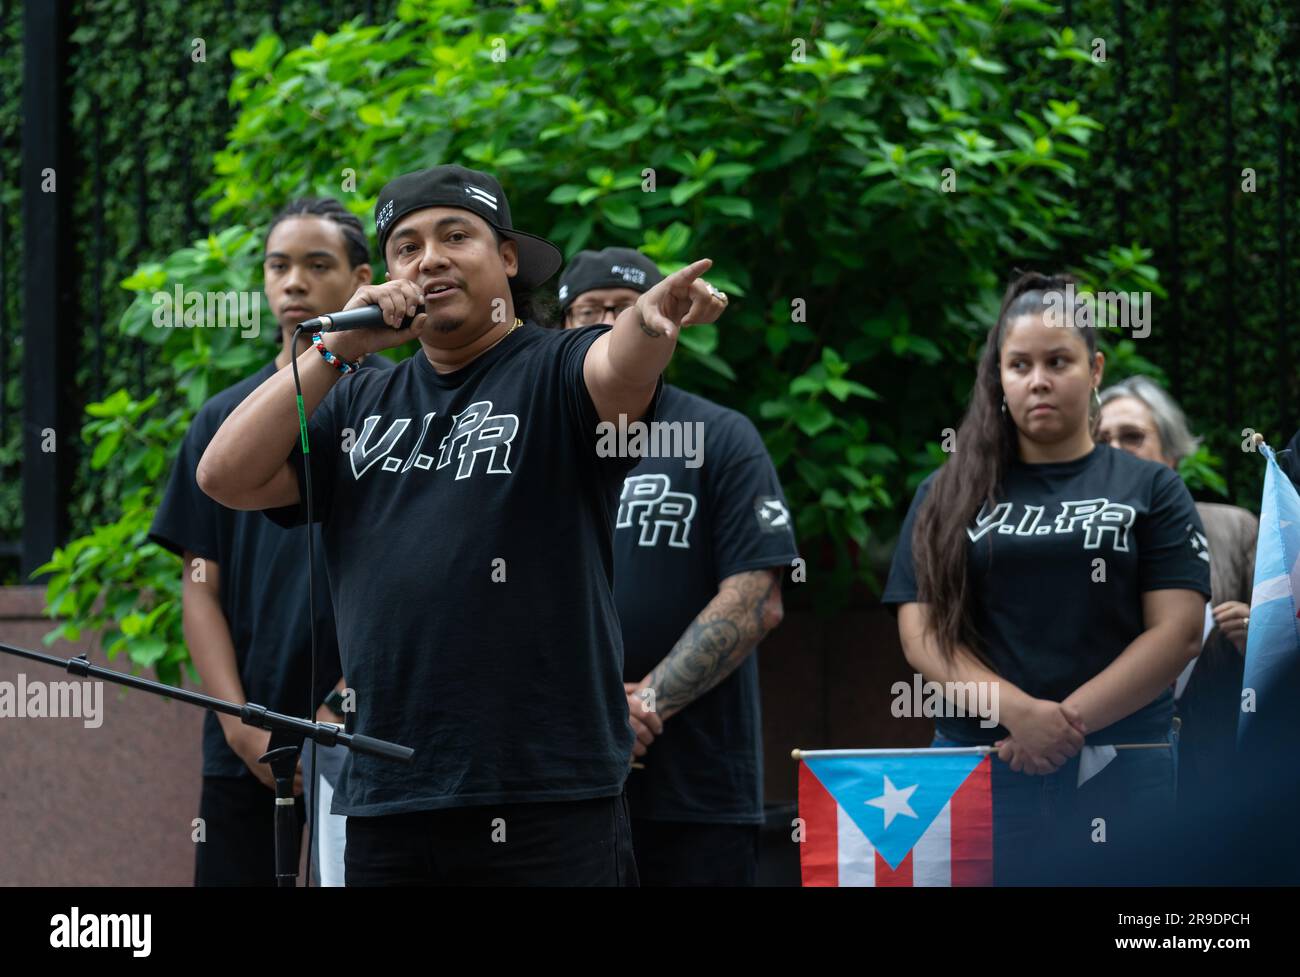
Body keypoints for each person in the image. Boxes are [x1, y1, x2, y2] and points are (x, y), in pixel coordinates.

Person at [195, 164, 727, 885]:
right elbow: (224, 475)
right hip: (389, 797)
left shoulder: (553, 366)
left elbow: (617, 368)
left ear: (507, 259)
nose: (430, 257)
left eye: (456, 236)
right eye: (406, 247)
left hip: (547, 795)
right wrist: (336, 347)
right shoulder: (359, 400)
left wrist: (648, 322)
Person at [882, 271, 1210, 884]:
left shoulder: (1151, 487)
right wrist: (1019, 716)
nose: (1038, 380)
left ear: (1095, 370)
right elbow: (921, 634)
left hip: (1121, 765)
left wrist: (1062, 725)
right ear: (999, 378)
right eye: (1019, 365)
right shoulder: (946, 492)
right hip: (979, 763)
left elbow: (1179, 631)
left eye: (1059, 360)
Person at [149, 197, 388, 885]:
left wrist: (343, 701)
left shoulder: (396, 403)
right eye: (279, 265)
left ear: (361, 277)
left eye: (318, 265)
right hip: (245, 738)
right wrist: (236, 723)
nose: (294, 283)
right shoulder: (226, 419)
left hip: (363, 733)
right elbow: (201, 589)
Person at [557, 247, 797, 886]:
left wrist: (644, 704)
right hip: (559, 789)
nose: (611, 325)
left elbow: (756, 597)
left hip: (699, 793)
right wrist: (593, 709)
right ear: (560, 328)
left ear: (669, 321)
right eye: (591, 310)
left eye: (626, 308)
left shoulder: (722, 435)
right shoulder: (536, 446)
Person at [1097, 375, 1257, 870]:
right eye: (1101, 440)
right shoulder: (1073, 544)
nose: (1116, 450)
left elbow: (1286, 654)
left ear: (1171, 454)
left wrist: (1260, 636)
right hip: (1108, 779)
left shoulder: (1234, 529)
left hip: (1219, 770)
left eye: (1132, 436)